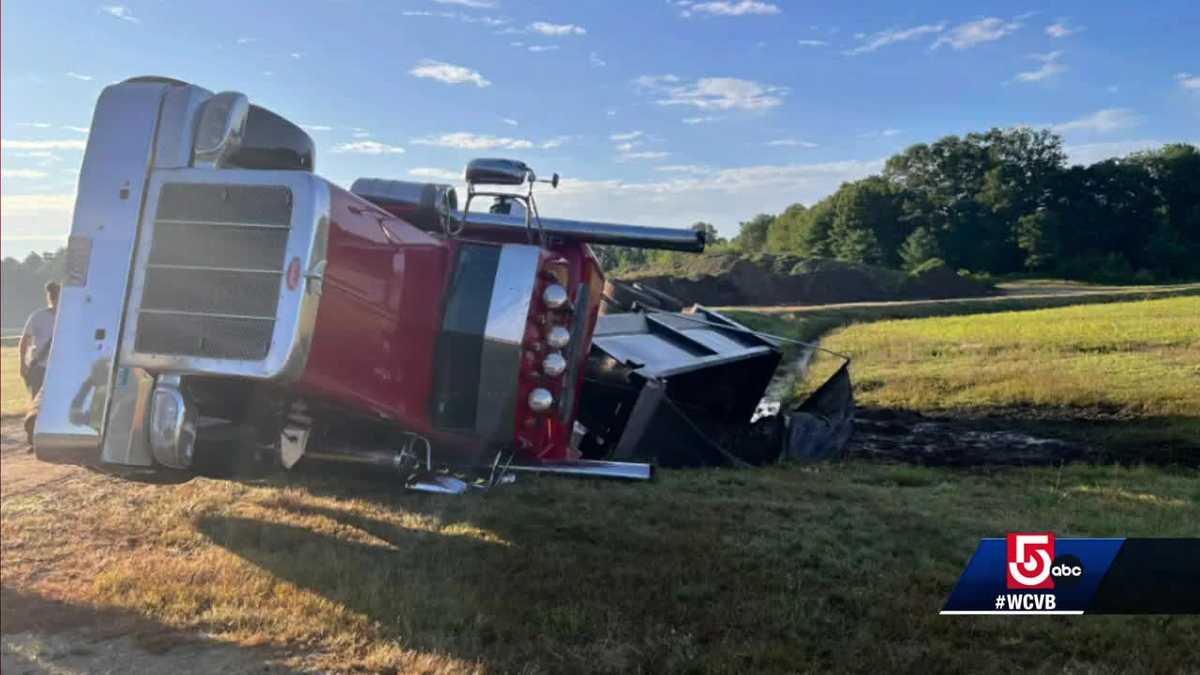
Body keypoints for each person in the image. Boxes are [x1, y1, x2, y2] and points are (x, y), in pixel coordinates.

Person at [19, 281, 59, 399]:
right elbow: (25, 340)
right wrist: (22, 364)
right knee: (37, 402)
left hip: (61, 367)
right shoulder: (38, 316)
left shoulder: (69, 317)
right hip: (41, 368)